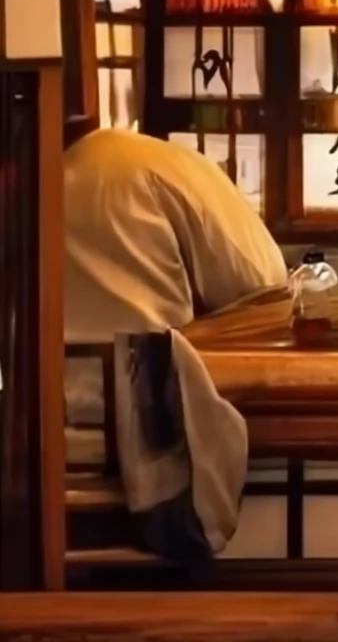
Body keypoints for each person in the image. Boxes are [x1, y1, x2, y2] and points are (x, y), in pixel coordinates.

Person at [63, 119, 290, 562]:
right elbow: (264, 287)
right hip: (158, 453)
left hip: (41, 453)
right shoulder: (157, 164)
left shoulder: (26, 180)